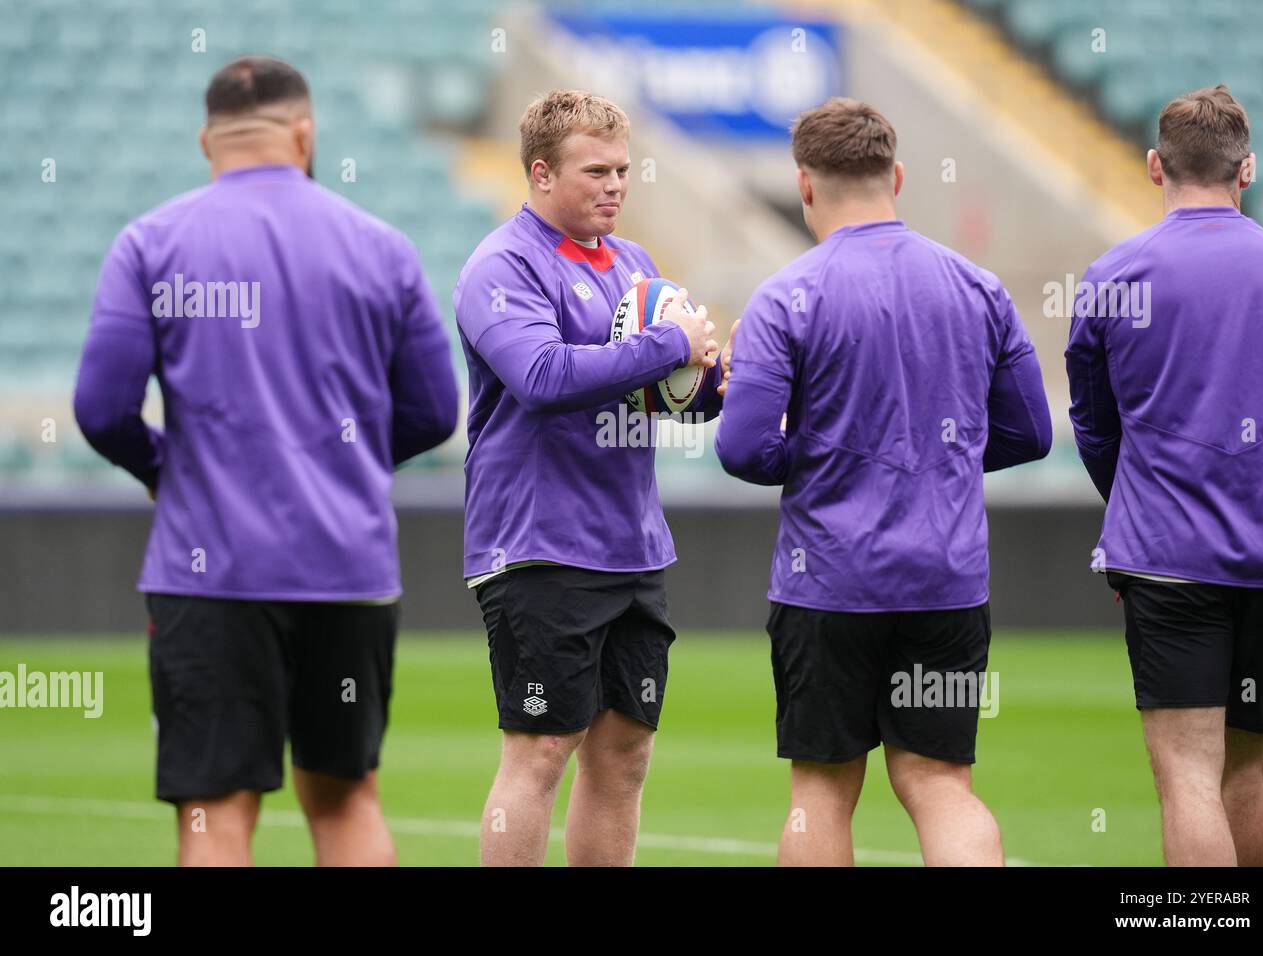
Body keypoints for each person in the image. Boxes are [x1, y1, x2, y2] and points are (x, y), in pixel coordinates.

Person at [73, 56, 459, 866]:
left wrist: (163, 469)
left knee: (214, 816)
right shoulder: (382, 247)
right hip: (346, 571)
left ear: (206, 139)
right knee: (348, 802)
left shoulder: (151, 242)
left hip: (209, 574)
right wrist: (338, 464)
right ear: (305, 132)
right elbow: (433, 412)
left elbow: (101, 411)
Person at [716, 97, 1052, 866]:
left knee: (822, 791)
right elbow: (1030, 433)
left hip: (827, 584)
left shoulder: (784, 298)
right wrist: (942, 464)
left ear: (804, 186)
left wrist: (818, 459)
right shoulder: (978, 287)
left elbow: (741, 450)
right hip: (945, 583)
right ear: (895, 174)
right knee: (940, 783)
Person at [454, 89, 730, 866]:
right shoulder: (501, 266)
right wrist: (668, 345)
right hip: (542, 544)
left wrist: (708, 380)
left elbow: (665, 394)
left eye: (624, 170)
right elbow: (541, 376)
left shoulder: (635, 264)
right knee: (540, 751)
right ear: (541, 173)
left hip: (633, 544)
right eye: (596, 171)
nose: (615, 185)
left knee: (624, 754)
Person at [1065, 85, 1263, 866]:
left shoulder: (1111, 277)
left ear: (1155, 165)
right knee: (1251, 772)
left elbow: (1095, 428)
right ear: (1248, 170)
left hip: (1166, 556)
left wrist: (1134, 499)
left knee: (1187, 776)